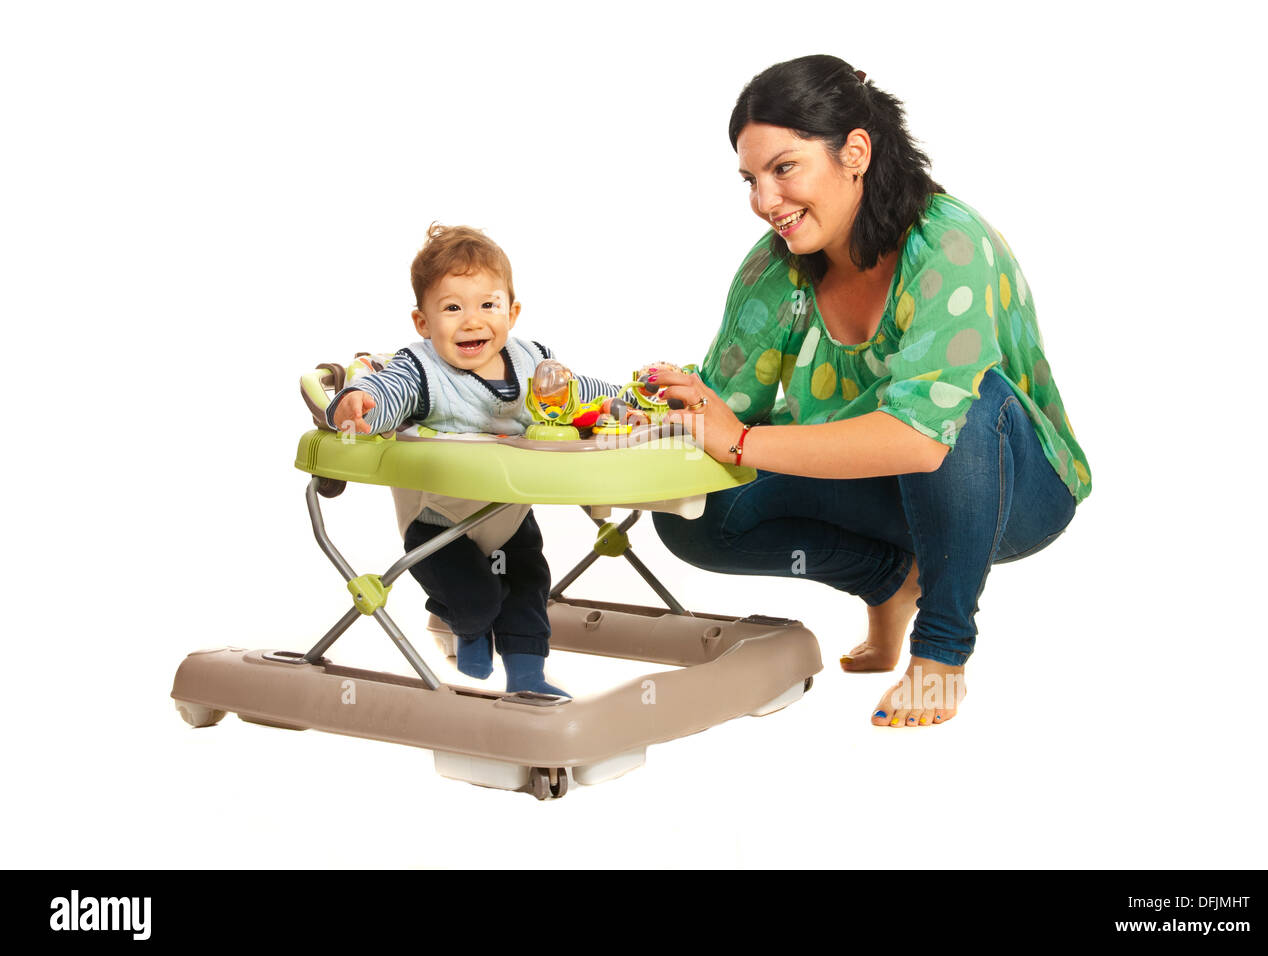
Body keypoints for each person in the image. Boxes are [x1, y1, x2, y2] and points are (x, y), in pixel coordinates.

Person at [650, 55, 1091, 728]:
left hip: (1011, 494)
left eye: (784, 168)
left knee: (964, 405)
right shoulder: (777, 266)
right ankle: (888, 582)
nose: (764, 201)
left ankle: (941, 652)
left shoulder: (948, 243)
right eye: (751, 178)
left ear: (855, 151)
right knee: (696, 515)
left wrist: (737, 439)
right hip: (886, 489)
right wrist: (667, 409)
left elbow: (920, 436)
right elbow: (729, 411)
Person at [326, 223, 629, 698]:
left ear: (513, 311)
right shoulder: (422, 369)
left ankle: (529, 678)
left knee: (528, 589)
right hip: (439, 521)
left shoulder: (534, 363)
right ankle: (461, 623)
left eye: (488, 305)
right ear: (423, 323)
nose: (472, 321)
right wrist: (362, 403)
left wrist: (621, 403)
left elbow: (576, 395)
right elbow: (390, 392)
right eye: (452, 308)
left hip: (510, 513)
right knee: (476, 602)